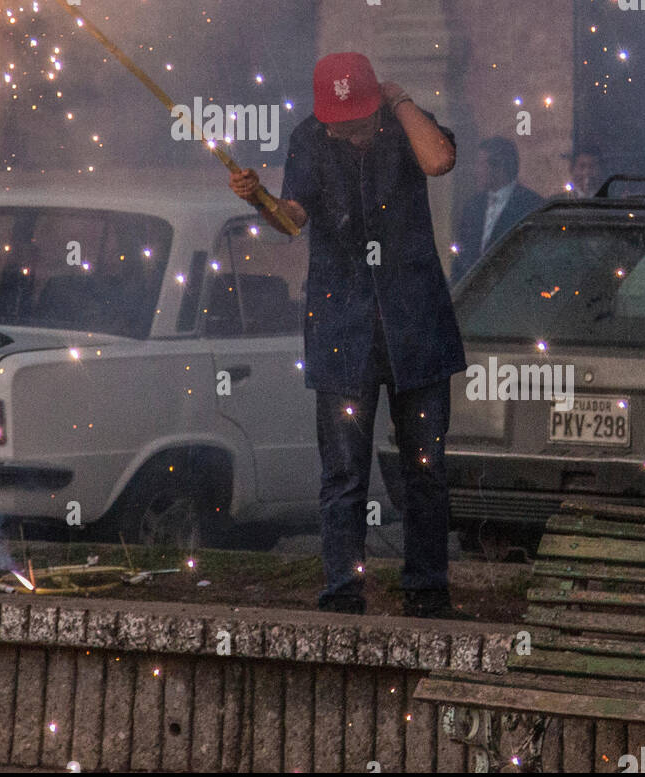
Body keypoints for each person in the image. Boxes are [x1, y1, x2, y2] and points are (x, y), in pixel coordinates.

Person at [229, 52, 468, 619]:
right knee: (342, 476)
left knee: (426, 472)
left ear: (377, 105)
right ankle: (342, 594)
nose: (348, 131)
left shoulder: (407, 124)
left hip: (417, 323)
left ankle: (427, 593)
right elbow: (292, 222)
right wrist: (259, 198)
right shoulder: (310, 139)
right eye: (339, 121)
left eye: (357, 119)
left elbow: (438, 162)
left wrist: (403, 98)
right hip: (342, 326)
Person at [451, 137, 543, 281]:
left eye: (481, 164)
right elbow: (461, 257)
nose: (477, 171)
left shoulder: (530, 205)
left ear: (500, 166)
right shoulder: (473, 206)